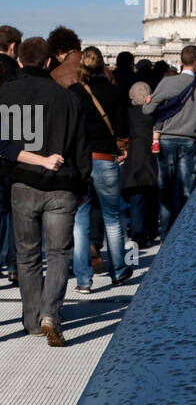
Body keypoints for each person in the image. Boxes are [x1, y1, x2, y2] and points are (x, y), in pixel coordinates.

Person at [0, 35, 90, 345]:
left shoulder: (5, 94)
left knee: (27, 256)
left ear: (21, 61)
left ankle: (32, 319)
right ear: (50, 62)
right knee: (59, 253)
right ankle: (51, 311)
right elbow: (82, 150)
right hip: (61, 185)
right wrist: (82, 186)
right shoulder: (68, 99)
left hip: (22, 182)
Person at [69, 46, 131, 291]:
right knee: (112, 218)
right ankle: (118, 270)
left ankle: (83, 280)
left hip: (80, 161)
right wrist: (123, 148)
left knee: (80, 220)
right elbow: (123, 129)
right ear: (102, 65)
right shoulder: (114, 93)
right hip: (106, 159)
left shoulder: (73, 93)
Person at [142, 44, 196, 237]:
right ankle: (186, 232)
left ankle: (166, 233)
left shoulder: (166, 84)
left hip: (165, 142)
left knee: (165, 188)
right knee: (188, 189)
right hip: (191, 142)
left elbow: (147, 111)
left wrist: (151, 102)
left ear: (180, 62)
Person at [122, 81, 159, 247]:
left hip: (134, 159)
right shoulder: (155, 114)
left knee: (137, 198)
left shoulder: (128, 114)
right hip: (152, 158)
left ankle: (138, 234)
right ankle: (151, 231)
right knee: (152, 196)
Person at [0, 25, 24, 283]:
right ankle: (14, 265)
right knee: (16, 213)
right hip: (14, 151)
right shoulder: (17, 75)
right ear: (13, 46)